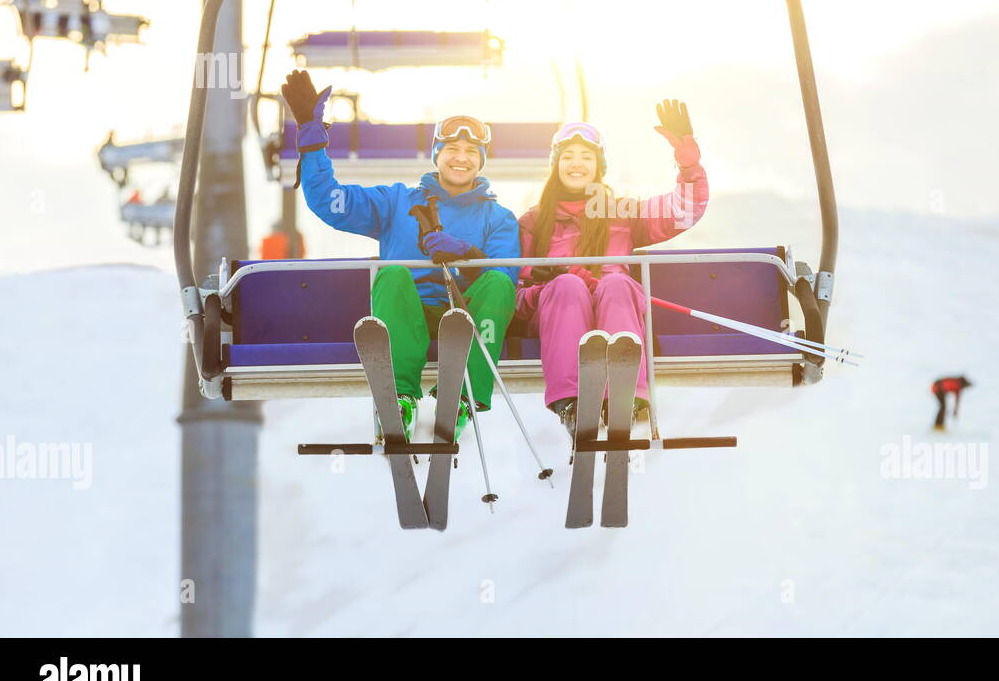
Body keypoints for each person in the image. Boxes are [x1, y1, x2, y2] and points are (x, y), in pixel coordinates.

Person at [281, 69, 518, 441]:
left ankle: (461, 396)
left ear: (482, 160)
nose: (461, 158)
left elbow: (506, 278)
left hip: (464, 311)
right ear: (437, 154)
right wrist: (312, 144)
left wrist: (467, 254)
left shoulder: (498, 218)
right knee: (390, 273)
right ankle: (400, 396)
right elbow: (332, 202)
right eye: (452, 149)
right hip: (410, 310)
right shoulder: (396, 202)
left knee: (499, 283)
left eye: (472, 152)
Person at [515, 101, 708, 437]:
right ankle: (573, 401)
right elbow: (517, 294)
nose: (577, 164)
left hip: (612, 306)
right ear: (556, 164)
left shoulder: (622, 212)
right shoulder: (534, 223)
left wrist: (688, 164)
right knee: (568, 287)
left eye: (586, 157)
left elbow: (683, 211)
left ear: (598, 166)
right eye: (569, 156)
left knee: (617, 284)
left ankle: (623, 393)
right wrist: (548, 287)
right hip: (559, 312)